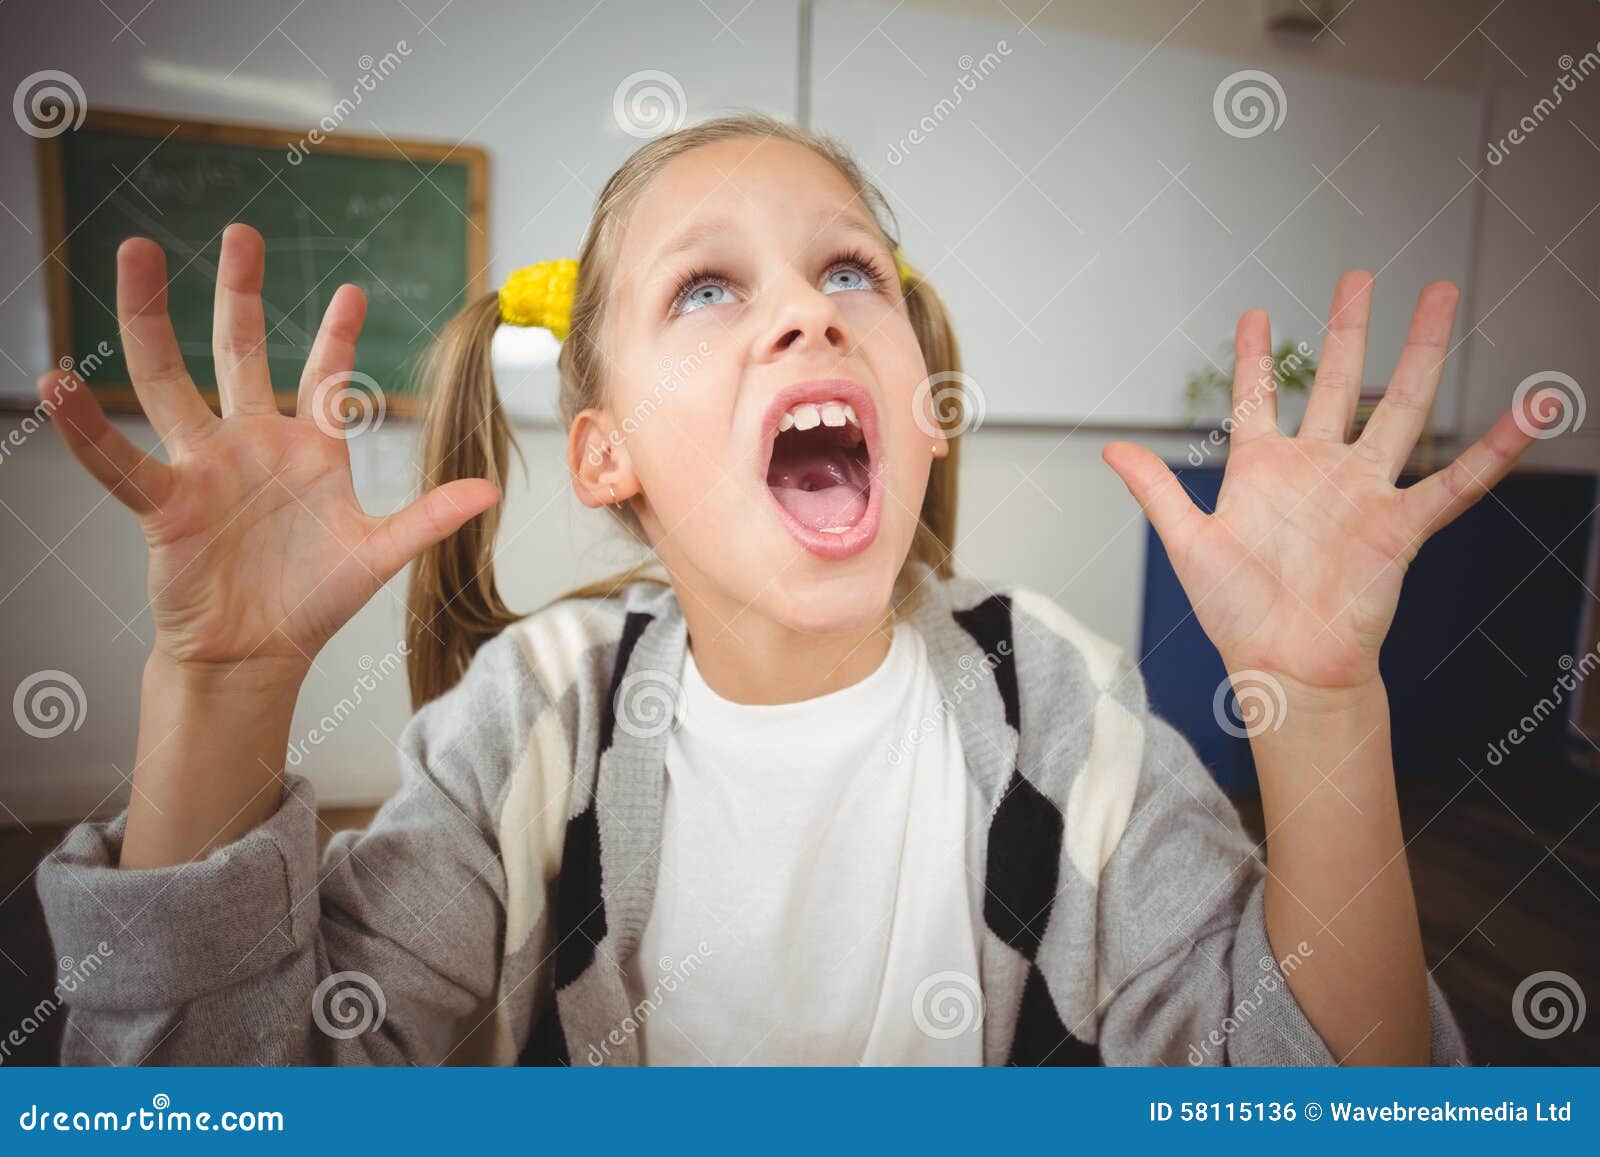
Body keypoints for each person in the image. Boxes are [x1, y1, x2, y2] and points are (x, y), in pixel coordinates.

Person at [36, 114, 1544, 1066]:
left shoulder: (1059, 701)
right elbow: (200, 1105)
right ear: (609, 450)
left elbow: (1331, 1097)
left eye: (849, 276)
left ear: (918, 392)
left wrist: (1324, 705)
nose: (806, 322)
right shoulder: (530, 724)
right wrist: (222, 695)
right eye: (709, 288)